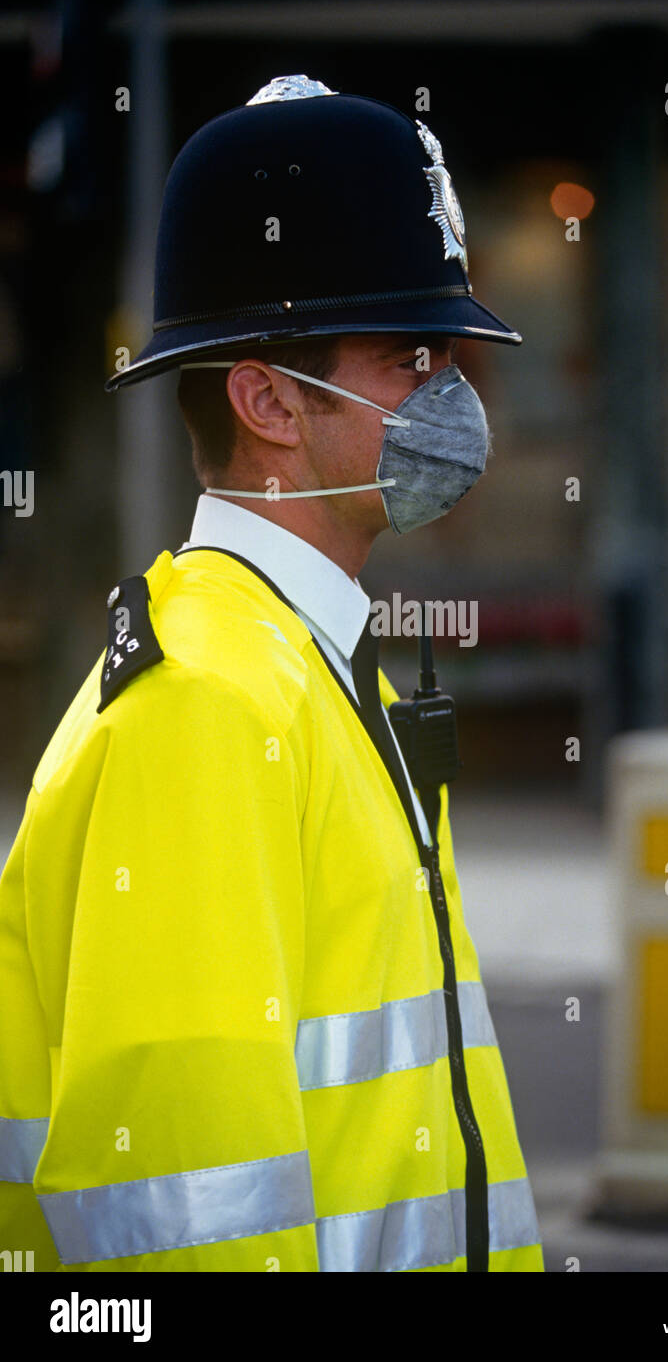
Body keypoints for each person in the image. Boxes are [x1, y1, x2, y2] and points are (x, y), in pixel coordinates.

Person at [0, 75, 543, 1272]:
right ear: (266, 402)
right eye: (411, 355)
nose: (454, 394)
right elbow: (185, 1216)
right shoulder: (203, 706)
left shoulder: (317, 671)